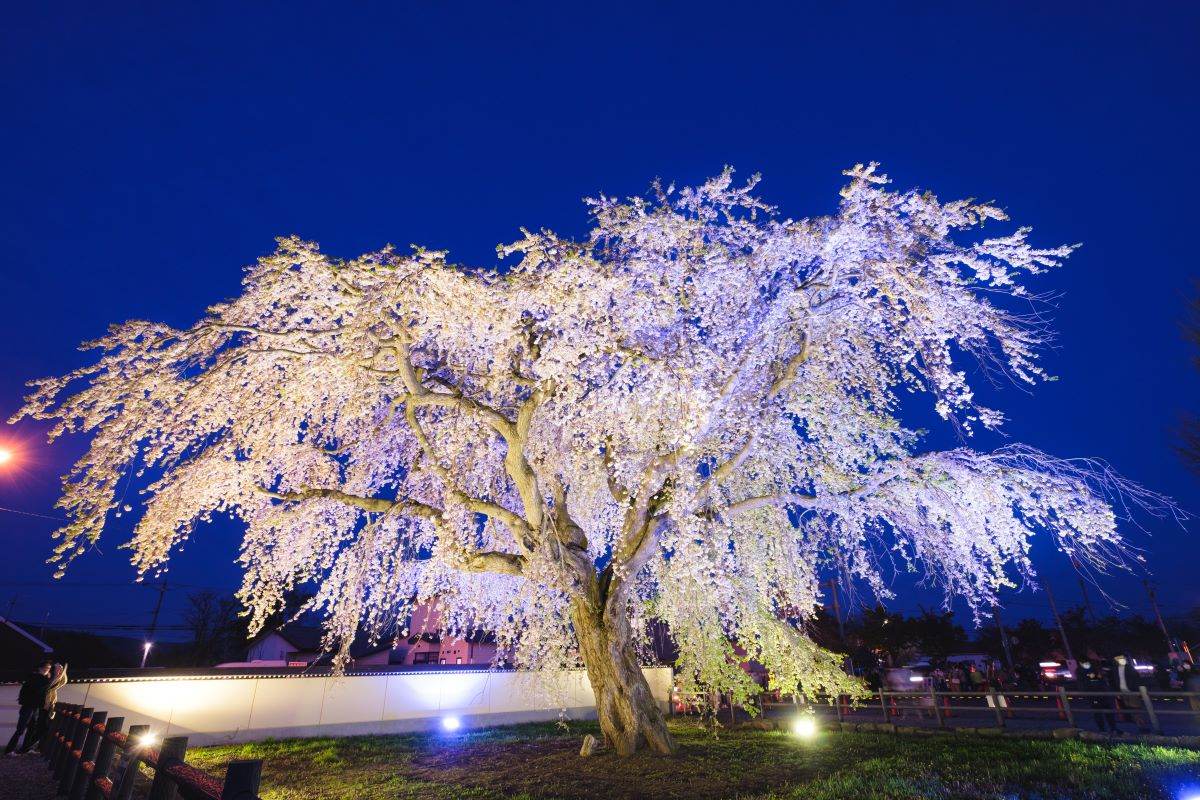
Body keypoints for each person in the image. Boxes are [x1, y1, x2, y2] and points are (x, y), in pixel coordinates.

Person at [4, 661, 51, 755]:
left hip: (35, 707)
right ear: (40, 668)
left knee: (31, 728)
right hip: (29, 707)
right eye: (46, 667)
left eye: (49, 668)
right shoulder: (35, 678)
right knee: (21, 729)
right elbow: (41, 688)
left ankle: (25, 749)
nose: (47, 670)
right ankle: (9, 750)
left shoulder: (39, 678)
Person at [1080, 659, 1118, 734]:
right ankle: (1103, 729)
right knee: (1098, 713)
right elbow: (1083, 684)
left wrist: (1100, 677)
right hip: (1094, 696)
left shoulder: (1097, 670)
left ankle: (1112, 728)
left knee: (1108, 713)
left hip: (1103, 694)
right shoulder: (1083, 672)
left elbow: (1105, 678)